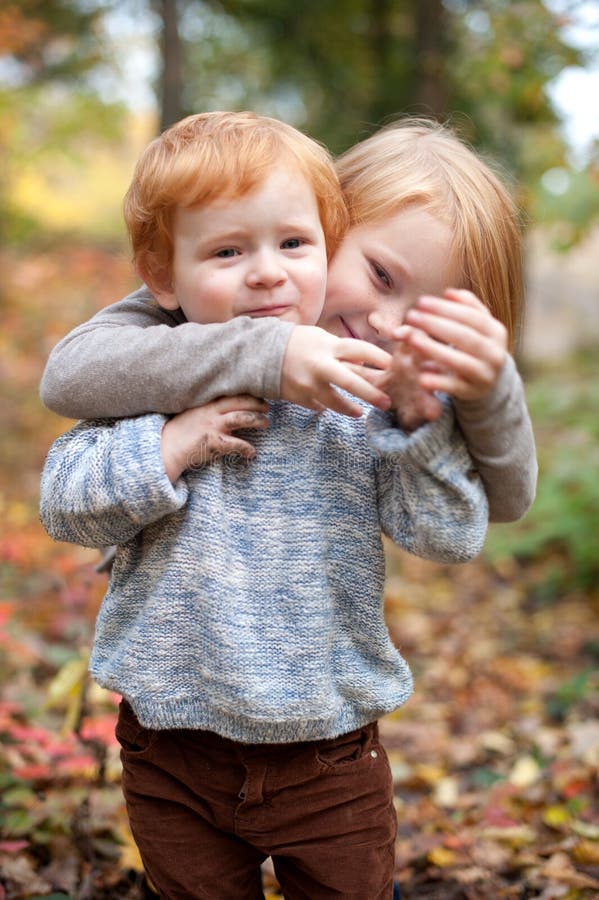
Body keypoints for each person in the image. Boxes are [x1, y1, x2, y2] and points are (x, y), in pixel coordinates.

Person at [40, 111, 489, 900]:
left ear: (329, 245)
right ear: (163, 275)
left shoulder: (355, 391)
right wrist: (169, 447)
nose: (266, 273)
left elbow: (449, 536)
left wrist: (422, 429)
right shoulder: (154, 383)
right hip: (172, 748)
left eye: (292, 243)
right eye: (226, 251)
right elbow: (65, 507)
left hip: (329, 756)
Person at [40, 120, 536, 522]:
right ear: (331, 227)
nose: (389, 326)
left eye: (428, 317)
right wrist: (269, 352)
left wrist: (488, 393)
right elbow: (69, 375)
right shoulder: (204, 300)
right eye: (381, 275)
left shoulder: (383, 389)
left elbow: (503, 504)